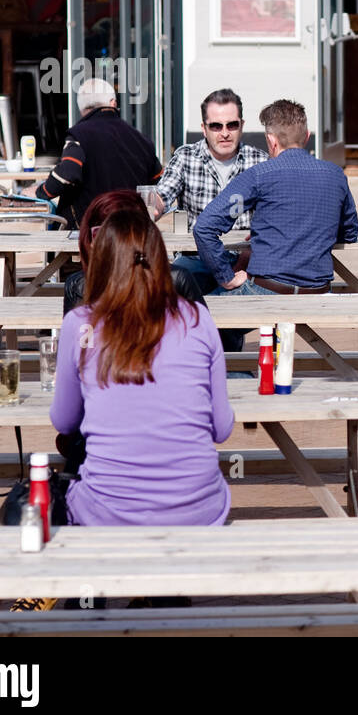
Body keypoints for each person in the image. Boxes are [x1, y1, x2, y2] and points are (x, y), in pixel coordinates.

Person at [50, 206, 234, 526]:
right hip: (198, 510)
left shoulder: (80, 324)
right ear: (161, 258)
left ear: (102, 263)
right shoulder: (196, 318)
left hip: (107, 512)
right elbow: (222, 428)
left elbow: (64, 421)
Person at [195, 99, 358, 295]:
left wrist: (227, 278)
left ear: (271, 141)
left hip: (267, 289)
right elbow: (349, 232)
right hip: (319, 292)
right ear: (306, 136)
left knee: (194, 320)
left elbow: (204, 227)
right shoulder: (335, 175)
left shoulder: (258, 175)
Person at [151, 89, 268, 294]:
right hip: (197, 258)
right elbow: (163, 195)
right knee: (164, 285)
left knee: (279, 287)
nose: (224, 133)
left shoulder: (259, 160)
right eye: (216, 126)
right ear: (204, 129)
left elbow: (272, 216)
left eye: (232, 125)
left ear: (242, 126)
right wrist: (151, 207)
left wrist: (248, 256)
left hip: (247, 259)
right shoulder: (186, 157)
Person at [35, 78, 162, 230]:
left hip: (88, 231)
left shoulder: (78, 134)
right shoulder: (142, 140)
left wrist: (40, 191)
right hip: (130, 231)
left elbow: (68, 173)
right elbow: (158, 184)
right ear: (113, 103)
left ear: (81, 109)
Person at [63, 190, 207, 315]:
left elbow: (201, 335)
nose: (117, 244)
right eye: (100, 234)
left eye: (126, 234)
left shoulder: (177, 280)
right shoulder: (78, 285)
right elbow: (78, 343)